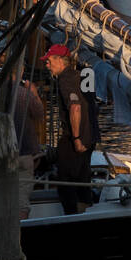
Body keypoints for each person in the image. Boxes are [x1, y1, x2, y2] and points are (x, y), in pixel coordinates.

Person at [44, 44, 94, 214]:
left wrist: (77, 138)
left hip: (75, 137)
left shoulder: (65, 79)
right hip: (90, 136)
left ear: (60, 60)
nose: (47, 65)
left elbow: (75, 108)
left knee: (64, 182)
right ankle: (84, 212)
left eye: (49, 61)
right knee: (82, 180)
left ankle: (72, 217)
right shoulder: (80, 76)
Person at [11, 71, 44, 221]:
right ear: (20, 72)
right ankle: (20, 234)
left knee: (4, 196)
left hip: (0, 154)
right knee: (22, 200)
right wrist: (34, 93)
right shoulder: (25, 94)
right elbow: (39, 115)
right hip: (24, 152)